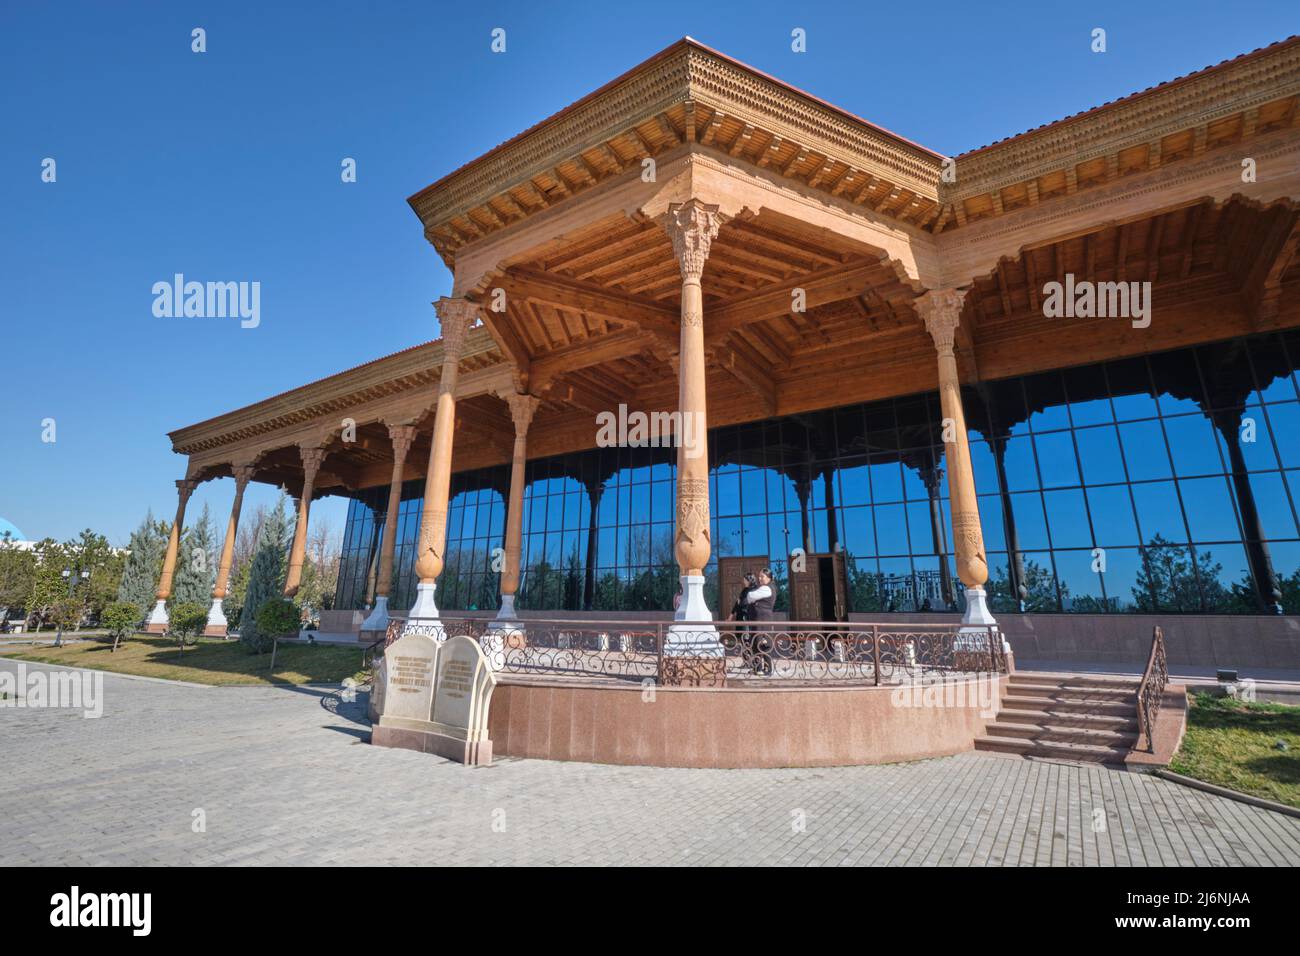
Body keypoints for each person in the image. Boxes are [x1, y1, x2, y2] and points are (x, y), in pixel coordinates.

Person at [742, 568, 776, 674]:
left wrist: (752, 598)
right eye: (759, 576)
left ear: (769, 578)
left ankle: (767, 669)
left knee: (762, 644)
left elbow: (750, 596)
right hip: (759, 621)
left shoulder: (767, 588)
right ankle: (758, 668)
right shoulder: (763, 588)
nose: (759, 578)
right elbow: (749, 599)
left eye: (762, 576)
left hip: (762, 621)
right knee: (756, 644)